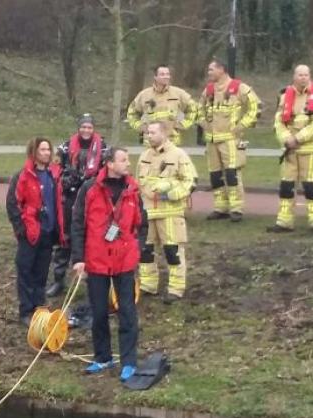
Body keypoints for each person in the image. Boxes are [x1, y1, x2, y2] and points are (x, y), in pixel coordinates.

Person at [70, 146, 147, 380]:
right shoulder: (89, 189)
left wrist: (137, 248)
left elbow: (142, 224)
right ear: (109, 164)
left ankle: (129, 361)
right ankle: (102, 357)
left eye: (128, 159)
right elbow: (77, 223)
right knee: (99, 311)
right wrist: (79, 258)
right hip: (97, 260)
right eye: (123, 159)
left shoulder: (133, 189)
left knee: (127, 311)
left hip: (124, 260)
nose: (128, 163)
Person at [136, 121, 197, 302]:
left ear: (164, 133)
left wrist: (171, 193)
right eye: (147, 132)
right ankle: (148, 285)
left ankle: (176, 288)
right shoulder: (144, 156)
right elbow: (138, 182)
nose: (149, 136)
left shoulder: (178, 155)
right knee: (145, 250)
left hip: (170, 212)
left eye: (153, 132)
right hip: (148, 212)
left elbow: (191, 181)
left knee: (173, 251)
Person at [7, 137, 65, 325]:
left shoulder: (53, 176)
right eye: (42, 150)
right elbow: (13, 204)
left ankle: (39, 306)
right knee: (26, 270)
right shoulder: (23, 176)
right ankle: (26, 310)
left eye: (48, 149)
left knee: (41, 272)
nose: (47, 153)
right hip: (30, 232)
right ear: (34, 152)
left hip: (48, 232)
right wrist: (21, 228)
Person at [197, 59, 260, 222]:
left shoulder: (239, 87)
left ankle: (236, 208)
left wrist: (242, 125)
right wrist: (204, 123)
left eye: (211, 69)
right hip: (212, 140)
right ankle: (220, 207)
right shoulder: (209, 90)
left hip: (231, 140)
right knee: (215, 175)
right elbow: (199, 109)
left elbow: (256, 106)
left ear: (221, 70)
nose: (208, 72)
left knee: (232, 174)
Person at [50, 113, 104, 297]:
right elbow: (55, 168)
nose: (86, 130)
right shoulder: (66, 146)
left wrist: (94, 181)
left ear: (93, 128)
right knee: (64, 237)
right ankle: (58, 280)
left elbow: (107, 170)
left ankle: (92, 281)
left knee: (91, 236)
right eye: (83, 127)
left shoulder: (103, 147)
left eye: (89, 127)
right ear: (78, 128)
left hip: (92, 196)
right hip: (69, 196)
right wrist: (65, 178)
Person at [272, 64, 313, 232]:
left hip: (309, 150)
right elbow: (278, 122)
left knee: (310, 188)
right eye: (300, 75)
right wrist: (286, 138)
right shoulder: (284, 97)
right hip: (290, 151)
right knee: (286, 186)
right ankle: (284, 221)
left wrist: (298, 138)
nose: (303, 78)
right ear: (294, 76)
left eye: (306, 75)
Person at [126, 64, 198, 145]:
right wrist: (141, 127)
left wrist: (182, 125)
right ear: (155, 77)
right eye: (162, 74)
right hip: (150, 143)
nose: (166, 77)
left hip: (172, 142)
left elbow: (193, 108)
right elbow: (131, 113)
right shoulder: (144, 95)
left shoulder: (178, 93)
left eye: (168, 74)